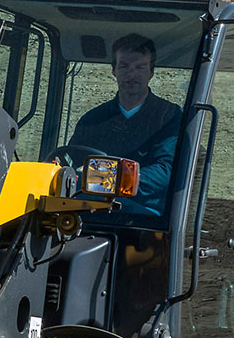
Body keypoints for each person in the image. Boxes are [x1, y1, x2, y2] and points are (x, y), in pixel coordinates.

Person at [68, 33, 181, 214]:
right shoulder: (92, 120)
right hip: (91, 210)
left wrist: (113, 180)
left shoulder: (169, 116)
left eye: (140, 67)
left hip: (144, 215)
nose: (132, 74)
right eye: (124, 66)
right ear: (114, 70)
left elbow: (166, 170)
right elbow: (72, 161)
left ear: (151, 72)